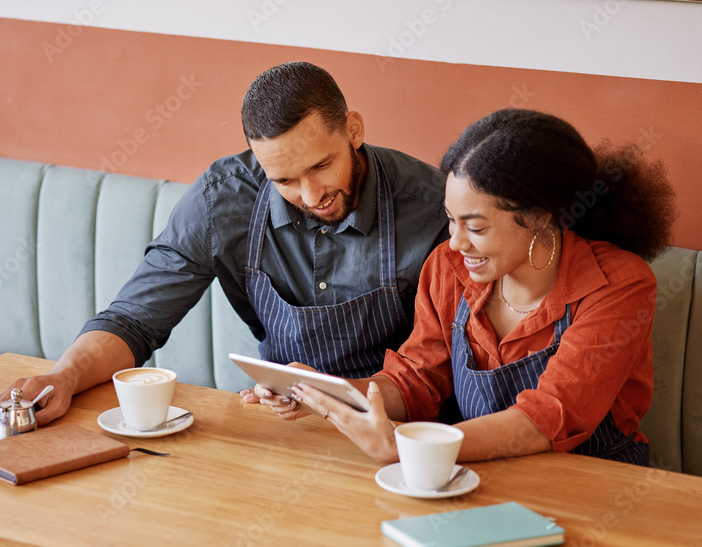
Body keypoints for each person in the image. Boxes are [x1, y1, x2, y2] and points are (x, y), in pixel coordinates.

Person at [0, 61, 448, 434]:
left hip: (402, 432)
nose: (310, 195)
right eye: (283, 179)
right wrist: (64, 376)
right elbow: (136, 318)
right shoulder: (224, 198)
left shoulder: (432, 206)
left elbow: (436, 372)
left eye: (322, 166)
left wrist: (333, 395)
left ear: (353, 130)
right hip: (285, 428)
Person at [264, 108, 676, 466]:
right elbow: (416, 382)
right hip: (482, 471)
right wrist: (326, 392)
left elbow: (547, 420)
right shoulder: (448, 267)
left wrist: (413, 447)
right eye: (450, 220)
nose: (457, 243)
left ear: (537, 217)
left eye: (475, 226)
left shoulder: (618, 284)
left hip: (597, 484)